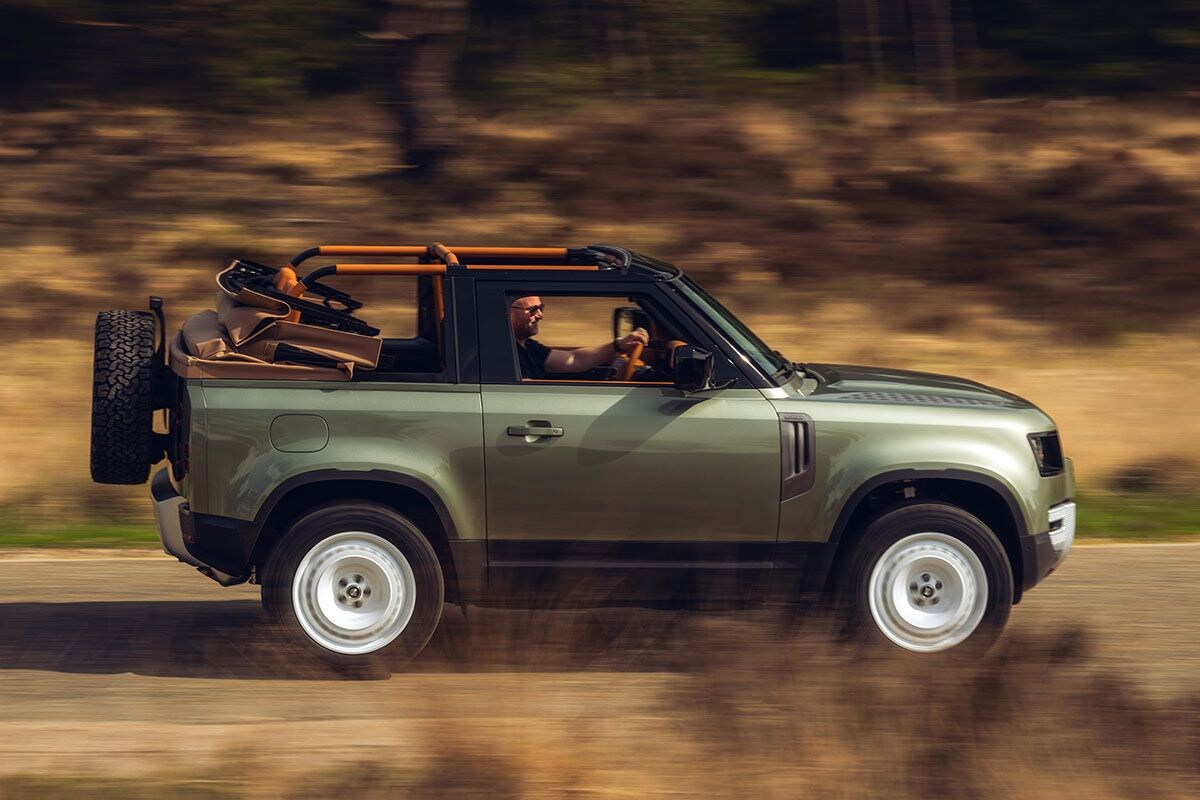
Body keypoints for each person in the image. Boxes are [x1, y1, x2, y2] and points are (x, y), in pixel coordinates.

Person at [509, 296, 649, 380]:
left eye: (541, 308)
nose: (540, 315)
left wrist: (619, 345)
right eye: (533, 310)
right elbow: (526, 392)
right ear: (509, 313)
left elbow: (574, 359)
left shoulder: (527, 346)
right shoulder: (502, 352)